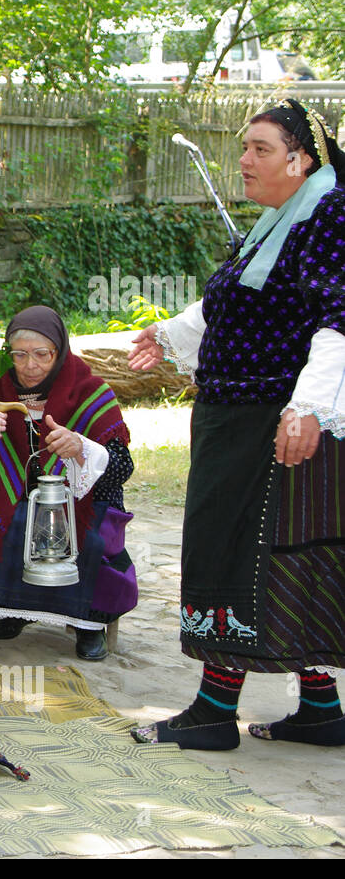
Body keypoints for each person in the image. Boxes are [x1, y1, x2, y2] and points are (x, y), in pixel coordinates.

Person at [127, 99, 345, 750]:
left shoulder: (329, 214)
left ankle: (214, 712)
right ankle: (321, 708)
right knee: (277, 560)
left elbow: (338, 316)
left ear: (300, 159)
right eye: (244, 147)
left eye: (260, 148)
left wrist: (308, 406)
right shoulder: (284, 218)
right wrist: (170, 334)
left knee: (236, 553)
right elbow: (239, 298)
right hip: (242, 417)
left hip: (267, 422)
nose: (244, 161)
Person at [0, 306, 136, 662]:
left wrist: (82, 448)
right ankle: (13, 608)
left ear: (60, 352)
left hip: (82, 501)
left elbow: (122, 468)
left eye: (42, 354)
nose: (30, 366)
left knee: (78, 531)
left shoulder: (90, 392)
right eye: (19, 355)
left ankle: (87, 622)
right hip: (12, 496)